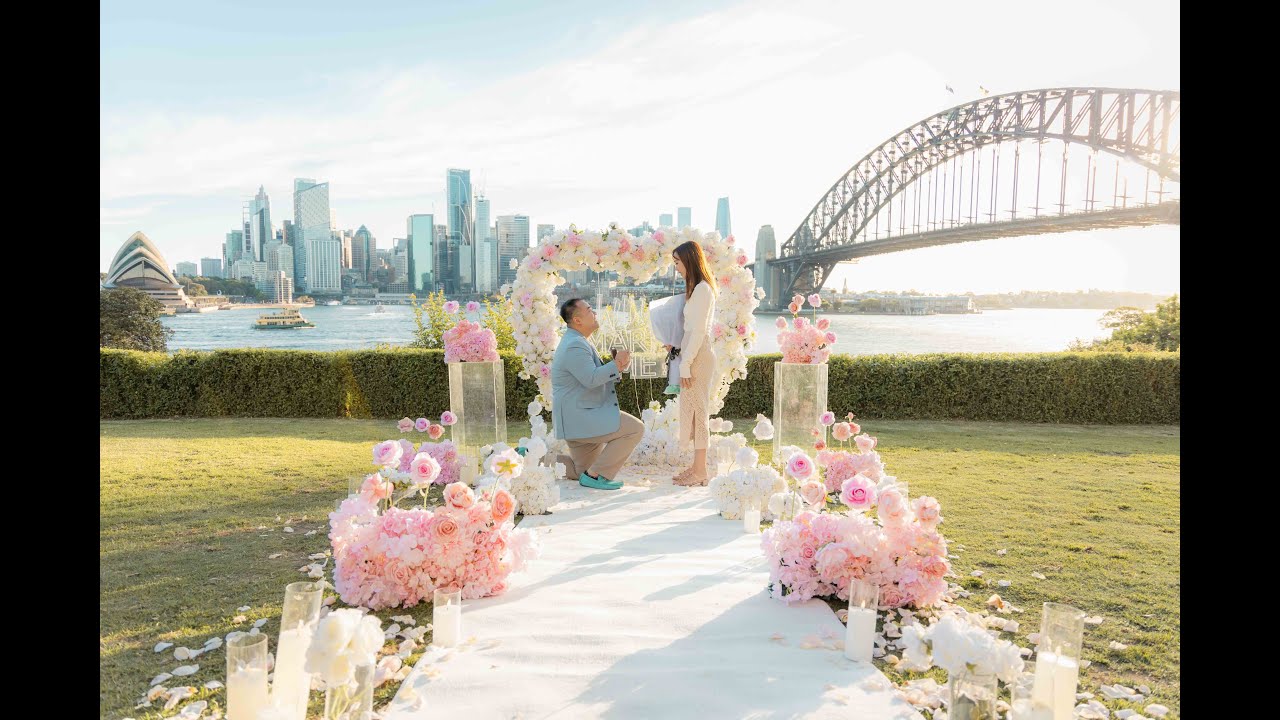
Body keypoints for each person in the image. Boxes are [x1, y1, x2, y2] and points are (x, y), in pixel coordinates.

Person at [550, 298, 643, 491]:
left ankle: (527, 459)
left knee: (579, 470)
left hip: (577, 419)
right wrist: (616, 364)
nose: (595, 314)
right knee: (635, 428)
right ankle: (598, 475)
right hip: (582, 418)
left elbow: (592, 377)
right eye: (590, 310)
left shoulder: (577, 341)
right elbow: (590, 379)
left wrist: (617, 367)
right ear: (577, 320)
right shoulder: (575, 345)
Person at [670, 240, 718, 486]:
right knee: (693, 412)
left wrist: (685, 364)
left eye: (678, 262)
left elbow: (698, 331)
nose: (676, 267)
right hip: (693, 353)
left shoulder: (702, 290)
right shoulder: (698, 288)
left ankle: (701, 471)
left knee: (699, 412)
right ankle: (697, 467)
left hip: (698, 356)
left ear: (689, 260)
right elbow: (691, 331)